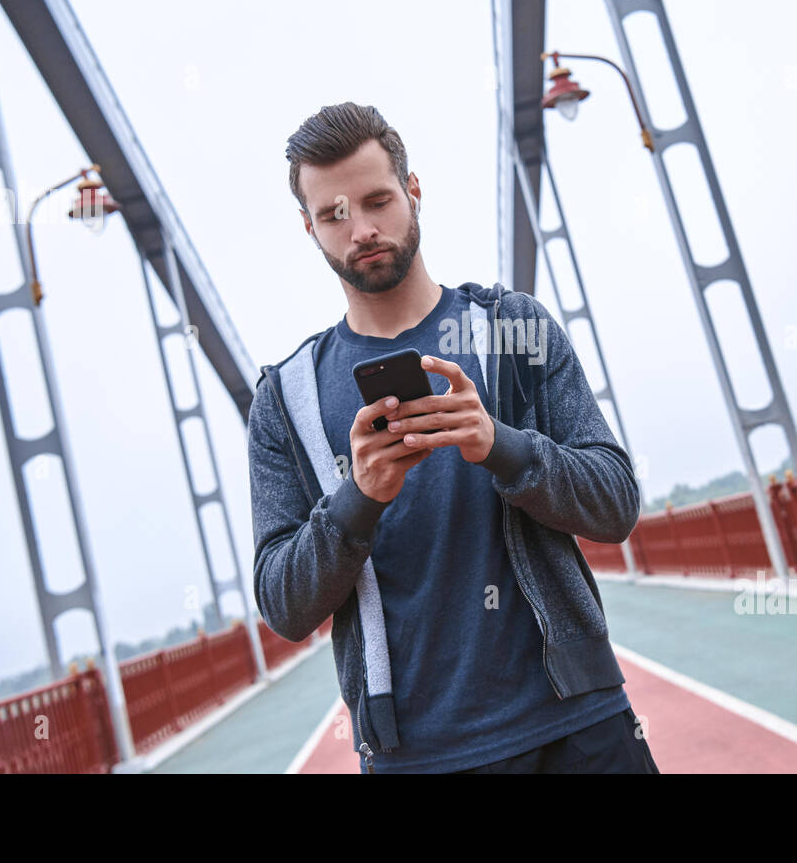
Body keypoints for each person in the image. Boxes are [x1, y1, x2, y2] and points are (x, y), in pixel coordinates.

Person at [247, 101, 659, 774]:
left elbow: (615, 504)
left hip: (579, 727)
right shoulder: (283, 400)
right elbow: (284, 605)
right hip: (416, 758)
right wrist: (359, 498)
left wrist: (501, 444)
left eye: (378, 199)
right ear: (309, 226)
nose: (363, 230)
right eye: (334, 215)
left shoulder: (513, 329)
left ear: (414, 188)